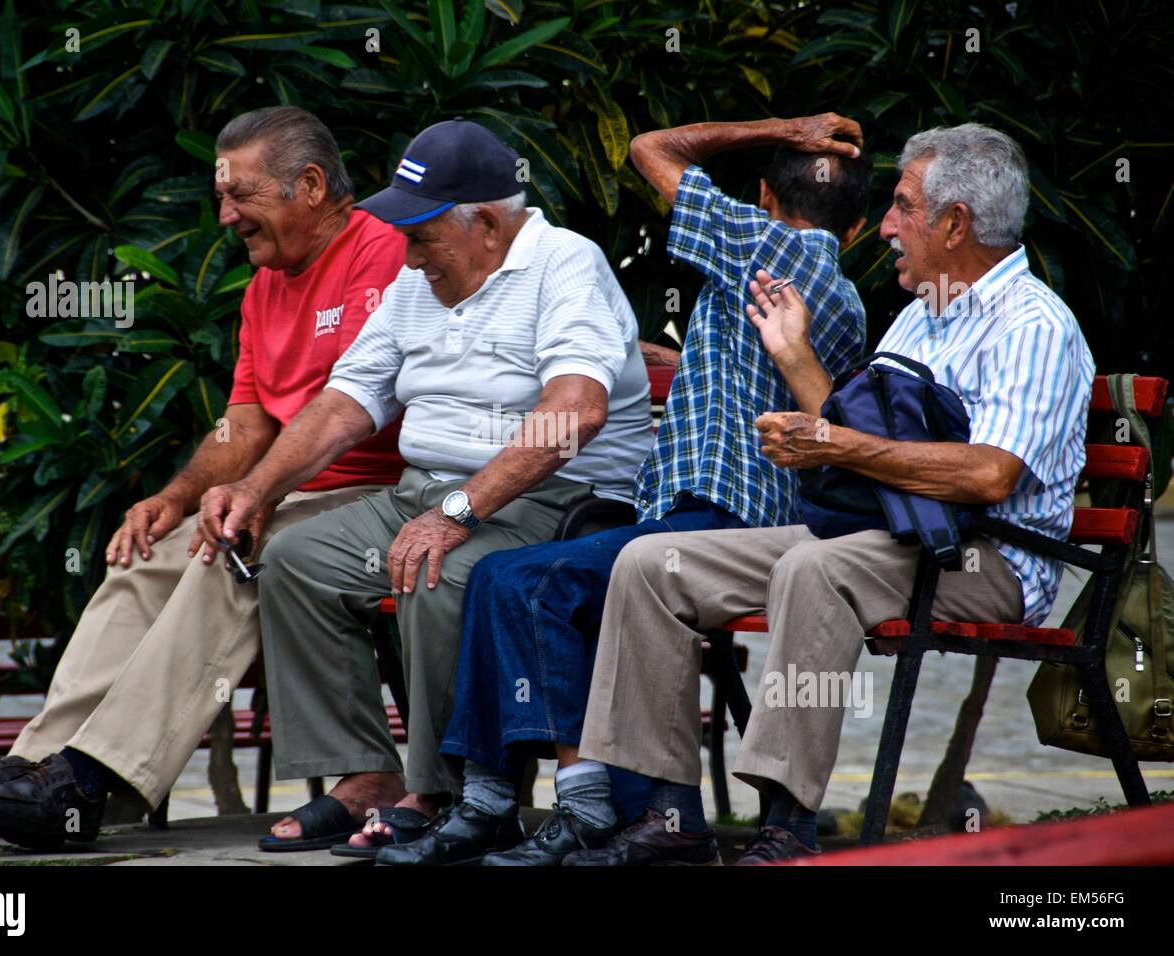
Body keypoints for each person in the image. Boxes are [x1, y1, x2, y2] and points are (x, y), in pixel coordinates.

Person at [571, 123, 1094, 865]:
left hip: (984, 561)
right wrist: (796, 355)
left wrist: (837, 444)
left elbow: (988, 475)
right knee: (652, 565)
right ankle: (669, 815)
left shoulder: (1033, 325)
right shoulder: (922, 315)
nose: (884, 226)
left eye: (903, 206)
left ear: (955, 224)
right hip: (883, 538)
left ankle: (787, 827)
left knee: (812, 571)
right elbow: (849, 432)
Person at [376, 113, 872, 867]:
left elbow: (651, 149)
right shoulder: (842, 295)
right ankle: (523, 803)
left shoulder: (764, 247)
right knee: (520, 577)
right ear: (861, 228)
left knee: (517, 579)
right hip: (745, 519)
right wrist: (647, 352)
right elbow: (742, 368)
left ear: (765, 196)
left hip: (710, 519)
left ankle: (547, 803)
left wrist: (785, 127)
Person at [0, 106, 408, 848]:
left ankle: (87, 781)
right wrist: (173, 498)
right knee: (148, 554)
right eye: (219, 196)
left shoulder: (387, 251)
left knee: (230, 553)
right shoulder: (263, 287)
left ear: (309, 185)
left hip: (382, 493)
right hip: (292, 490)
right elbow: (244, 424)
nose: (223, 216)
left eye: (239, 195)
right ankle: (35, 765)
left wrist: (255, 495)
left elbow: (349, 410)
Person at [190, 118, 655, 854]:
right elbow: (346, 403)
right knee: (297, 561)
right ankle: (364, 777)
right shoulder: (418, 283)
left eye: (423, 235)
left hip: (559, 501)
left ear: (490, 224)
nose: (407, 255)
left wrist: (459, 510)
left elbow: (575, 413)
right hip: (426, 488)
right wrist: (257, 488)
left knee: (436, 569)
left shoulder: (565, 264)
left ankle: (446, 790)